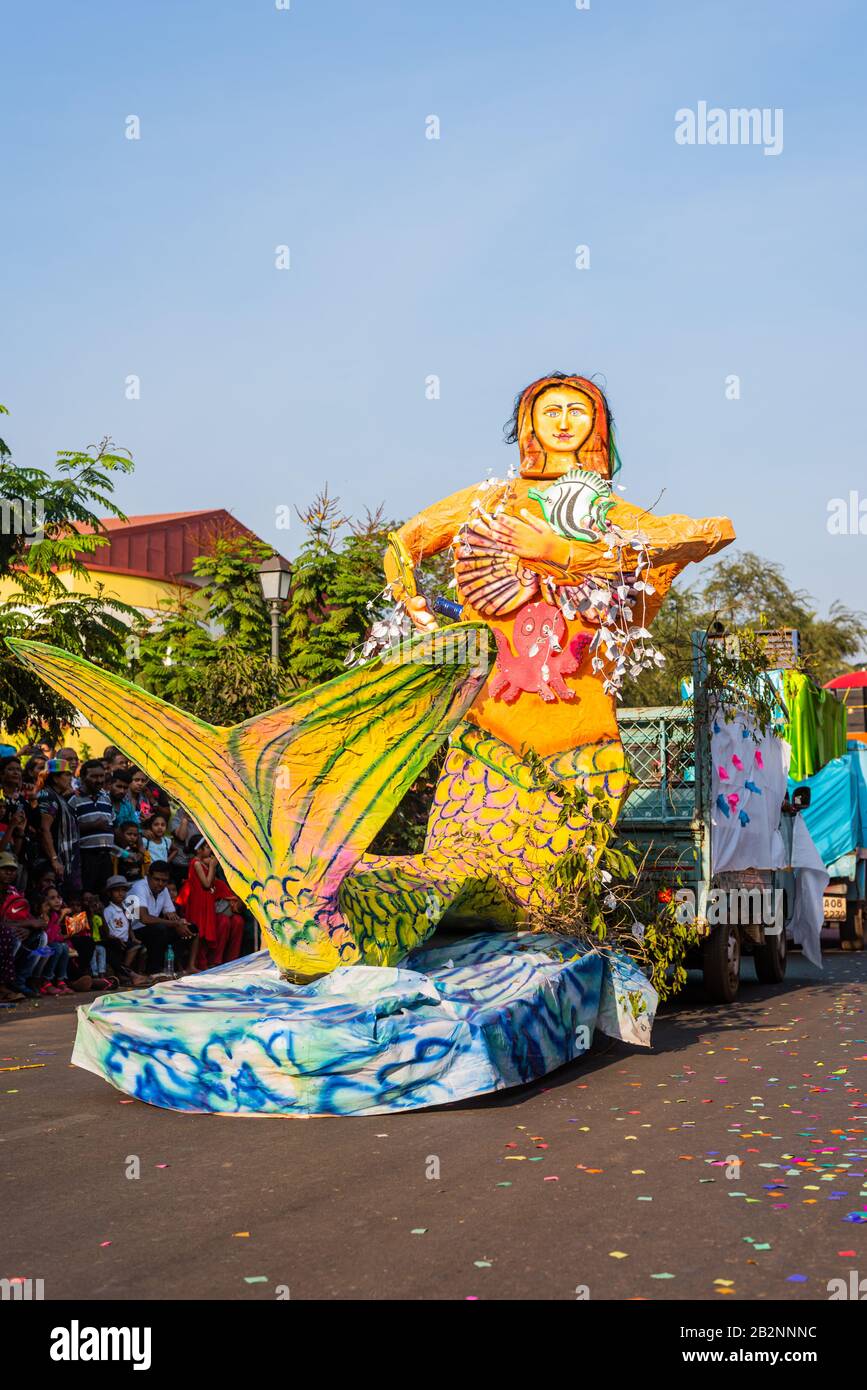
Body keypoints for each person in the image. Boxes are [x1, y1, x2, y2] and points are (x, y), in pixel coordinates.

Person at [127, 862, 196, 974]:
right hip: (133, 931)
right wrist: (174, 924)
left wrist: (180, 923)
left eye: (164, 881)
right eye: (156, 879)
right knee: (160, 929)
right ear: (148, 876)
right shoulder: (139, 887)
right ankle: (153, 971)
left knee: (191, 929)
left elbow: (172, 914)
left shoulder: (163, 890)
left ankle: (174, 967)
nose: (160, 884)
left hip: (150, 928)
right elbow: (144, 919)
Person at [70, 759, 116, 894]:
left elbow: (111, 824)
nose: (99, 780)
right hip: (86, 857)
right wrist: (93, 825)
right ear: (83, 777)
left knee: (105, 895)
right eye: (94, 776)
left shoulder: (106, 798)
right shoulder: (74, 799)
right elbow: (68, 829)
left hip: (106, 857)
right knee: (87, 894)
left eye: (101, 776)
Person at [36, 758, 81, 891]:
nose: (70, 778)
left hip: (65, 860)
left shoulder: (58, 796)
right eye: (67, 774)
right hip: (54, 861)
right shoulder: (47, 796)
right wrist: (54, 859)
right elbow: (44, 829)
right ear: (55, 778)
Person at [177, 837, 218, 969]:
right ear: (198, 850)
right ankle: (193, 964)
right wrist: (212, 867)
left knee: (205, 932)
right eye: (206, 847)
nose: (209, 849)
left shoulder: (202, 862)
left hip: (206, 900)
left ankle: (201, 962)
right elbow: (206, 884)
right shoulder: (196, 863)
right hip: (198, 901)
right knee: (199, 931)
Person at [102, 876, 148, 983]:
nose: (120, 893)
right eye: (116, 891)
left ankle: (133, 972)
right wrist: (112, 938)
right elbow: (105, 928)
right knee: (132, 948)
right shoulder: (109, 910)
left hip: (126, 939)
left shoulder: (125, 908)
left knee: (140, 947)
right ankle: (124, 973)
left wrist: (133, 937)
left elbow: (129, 925)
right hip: (115, 941)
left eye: (123, 890)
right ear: (109, 893)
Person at [37, 886, 75, 996]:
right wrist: (61, 916)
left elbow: (56, 938)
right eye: (52, 898)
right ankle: (46, 981)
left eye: (58, 897)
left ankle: (60, 980)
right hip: (36, 952)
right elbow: (48, 939)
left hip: (48, 949)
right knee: (58, 947)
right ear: (45, 901)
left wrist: (65, 936)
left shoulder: (53, 915)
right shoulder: (42, 915)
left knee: (63, 946)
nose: (57, 901)